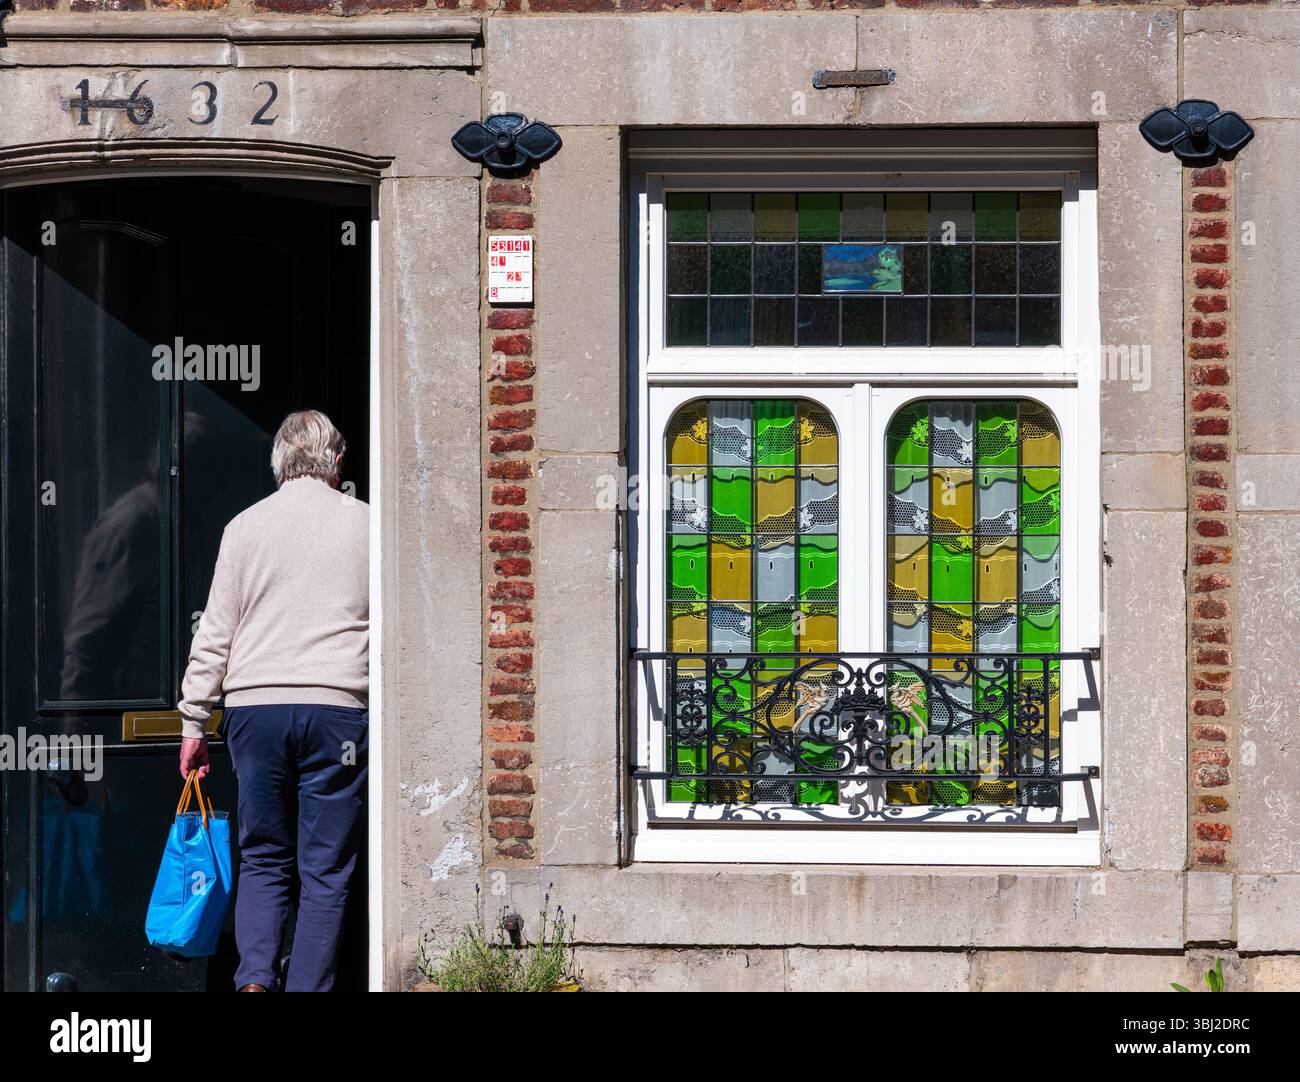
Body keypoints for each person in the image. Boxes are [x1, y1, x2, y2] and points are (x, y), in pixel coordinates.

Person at [178, 410, 369, 993]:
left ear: (279, 464)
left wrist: (193, 720)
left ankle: (255, 984)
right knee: (325, 871)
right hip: (336, 708)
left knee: (262, 856)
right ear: (336, 461)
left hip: (254, 711)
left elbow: (216, 631)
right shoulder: (368, 525)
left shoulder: (244, 527)